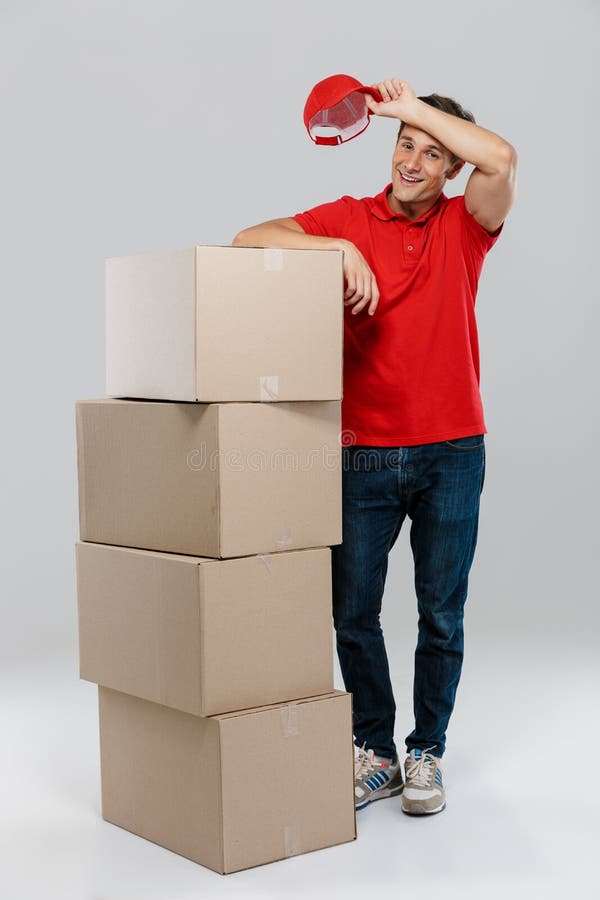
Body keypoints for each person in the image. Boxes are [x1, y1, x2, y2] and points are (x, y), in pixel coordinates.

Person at [232, 77, 517, 816]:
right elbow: (247, 241)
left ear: (451, 165)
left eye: (430, 150)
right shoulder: (349, 219)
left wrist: (410, 107)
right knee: (352, 613)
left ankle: (427, 753)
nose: (413, 161)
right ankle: (376, 753)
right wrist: (334, 249)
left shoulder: (466, 224)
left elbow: (502, 160)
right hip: (360, 451)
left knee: (440, 614)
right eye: (403, 145)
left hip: (452, 450)